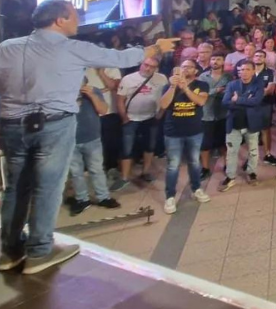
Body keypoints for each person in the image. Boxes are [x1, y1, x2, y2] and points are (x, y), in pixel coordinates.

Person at [0, 0, 175, 273]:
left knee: (15, 189)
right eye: (74, 15)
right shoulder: (72, 49)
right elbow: (120, 58)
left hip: (11, 127)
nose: (78, 20)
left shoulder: (4, 48)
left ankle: (10, 252)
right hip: (53, 126)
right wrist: (155, 48)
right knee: (47, 188)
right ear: (59, 20)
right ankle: (39, 251)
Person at [158, 59, 210, 214]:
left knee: (194, 162)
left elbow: (200, 101)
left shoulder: (202, 85)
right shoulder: (168, 86)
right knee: (173, 165)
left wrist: (185, 88)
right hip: (173, 132)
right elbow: (163, 105)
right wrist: (173, 86)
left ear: (195, 71)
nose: (185, 69)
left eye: (189, 67)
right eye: (183, 66)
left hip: (194, 131)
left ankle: (196, 189)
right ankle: (170, 196)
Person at [67, 79, 121, 216]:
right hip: (69, 141)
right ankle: (82, 199)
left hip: (92, 138)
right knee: (76, 172)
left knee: (96, 169)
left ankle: (103, 197)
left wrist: (92, 95)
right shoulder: (62, 93)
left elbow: (103, 110)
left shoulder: (94, 91)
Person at [113, 57, 167, 190]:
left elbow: (166, 96)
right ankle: (124, 177)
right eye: (146, 65)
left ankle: (146, 172)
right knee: (127, 148)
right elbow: (120, 100)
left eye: (152, 66)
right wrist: (124, 117)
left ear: (156, 68)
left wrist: (161, 113)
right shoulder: (128, 79)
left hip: (151, 117)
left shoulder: (162, 79)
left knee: (150, 146)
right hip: (131, 118)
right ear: (141, 64)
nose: (148, 68)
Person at [220, 60, 266, 191]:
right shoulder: (232, 84)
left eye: (247, 69)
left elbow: (256, 101)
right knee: (232, 152)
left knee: (253, 151)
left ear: (252, 71)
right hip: (234, 124)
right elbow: (225, 102)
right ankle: (230, 176)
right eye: (241, 70)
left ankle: (251, 173)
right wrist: (247, 99)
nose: (243, 72)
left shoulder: (258, 85)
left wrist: (238, 99)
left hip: (251, 123)